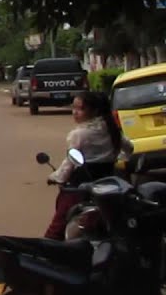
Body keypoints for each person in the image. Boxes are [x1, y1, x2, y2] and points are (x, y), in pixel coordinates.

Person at [43, 91, 122, 240]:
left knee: (56, 229)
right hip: (110, 183)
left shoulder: (79, 134)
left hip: (81, 186)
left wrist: (56, 177)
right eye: (74, 108)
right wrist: (115, 158)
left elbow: (70, 162)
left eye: (80, 109)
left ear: (94, 110)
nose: (75, 113)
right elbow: (129, 149)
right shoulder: (112, 130)